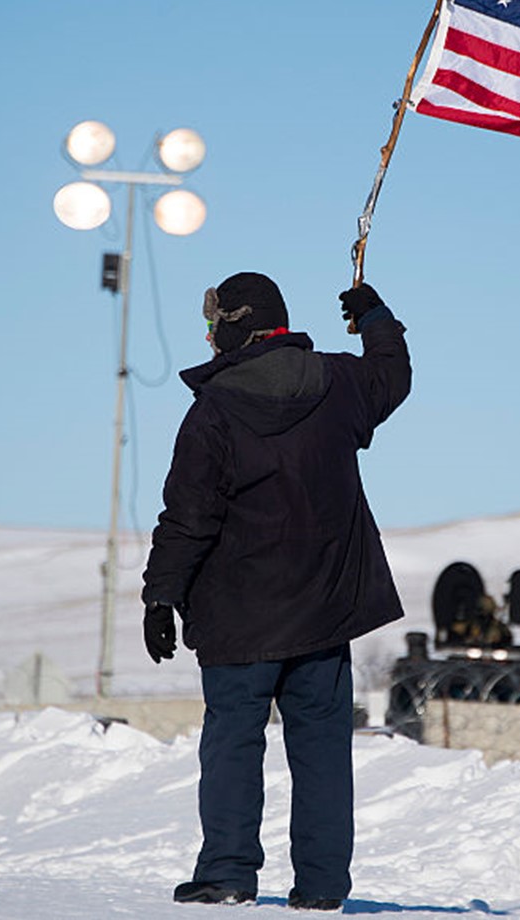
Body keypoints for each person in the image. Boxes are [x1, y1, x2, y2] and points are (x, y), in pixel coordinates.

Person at [140, 273, 411, 911]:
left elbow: (188, 515)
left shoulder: (214, 411)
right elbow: (391, 377)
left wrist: (160, 597)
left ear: (236, 327)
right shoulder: (339, 383)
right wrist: (375, 317)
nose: (208, 339)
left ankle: (228, 875)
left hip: (239, 617)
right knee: (320, 747)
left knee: (234, 739)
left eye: (213, 326)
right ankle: (321, 889)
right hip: (323, 613)